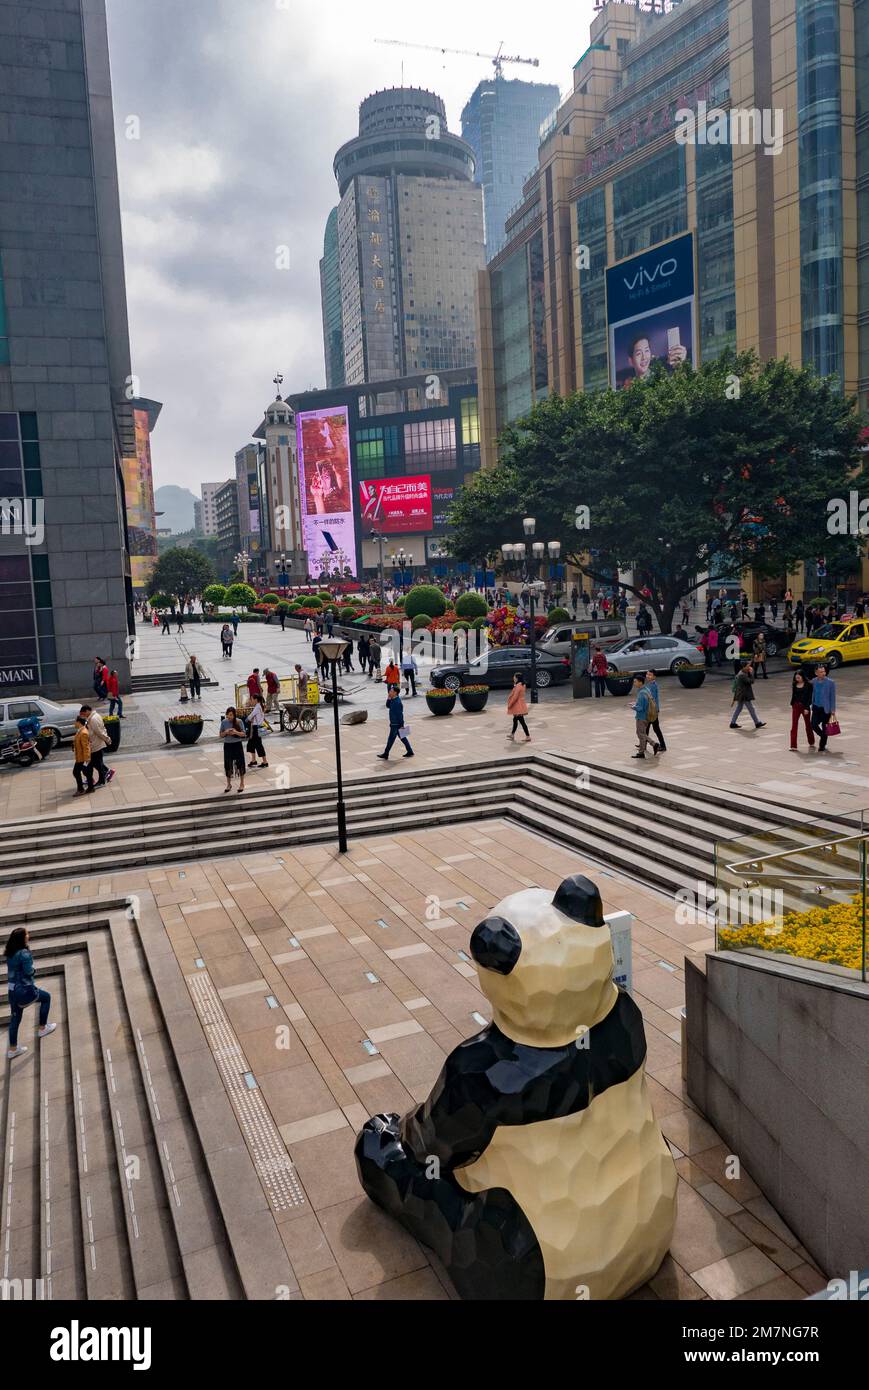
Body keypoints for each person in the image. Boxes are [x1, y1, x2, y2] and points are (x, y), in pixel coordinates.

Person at [5, 926, 56, 1060]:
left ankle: (13, 1049)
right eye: (27, 934)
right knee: (46, 997)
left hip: (12, 991)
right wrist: (33, 971)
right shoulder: (24, 953)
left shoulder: (10, 953)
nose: (28, 935)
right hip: (24, 990)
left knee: (15, 1019)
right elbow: (28, 971)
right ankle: (42, 1028)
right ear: (21, 938)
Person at [377, 685, 413, 760]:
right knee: (403, 738)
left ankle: (386, 754)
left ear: (395, 693)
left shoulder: (397, 702)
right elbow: (388, 706)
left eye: (391, 691)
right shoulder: (393, 699)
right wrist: (388, 698)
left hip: (396, 724)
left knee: (391, 739)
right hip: (394, 723)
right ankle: (410, 751)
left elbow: (400, 714)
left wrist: (402, 725)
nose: (389, 692)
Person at [80, 704, 114, 785]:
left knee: (96, 763)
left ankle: (101, 779)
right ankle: (101, 777)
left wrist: (107, 739)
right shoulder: (94, 717)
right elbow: (102, 729)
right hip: (95, 744)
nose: (84, 716)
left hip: (96, 744)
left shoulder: (93, 719)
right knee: (96, 763)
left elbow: (99, 732)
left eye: (84, 714)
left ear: (87, 711)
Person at [630, 675, 660, 759]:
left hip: (641, 717)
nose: (634, 683)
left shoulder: (641, 693)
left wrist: (633, 707)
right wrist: (636, 704)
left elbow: (640, 708)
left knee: (641, 733)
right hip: (647, 716)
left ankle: (653, 744)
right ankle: (642, 751)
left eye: (635, 682)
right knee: (641, 733)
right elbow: (645, 703)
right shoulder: (646, 690)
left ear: (640, 682)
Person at [729, 664, 766, 730]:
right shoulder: (742, 675)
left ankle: (732, 723)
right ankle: (757, 723)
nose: (749, 667)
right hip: (744, 695)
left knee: (739, 708)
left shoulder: (742, 673)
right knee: (751, 709)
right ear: (743, 667)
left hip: (741, 694)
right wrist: (751, 673)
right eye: (747, 666)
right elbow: (751, 681)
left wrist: (748, 672)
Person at [810, 664, 837, 753]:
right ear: (816, 673)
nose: (823, 673)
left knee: (825, 727)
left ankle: (822, 745)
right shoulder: (813, 681)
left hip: (826, 708)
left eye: (824, 671)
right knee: (813, 724)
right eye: (821, 672)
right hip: (816, 707)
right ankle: (823, 736)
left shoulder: (831, 682)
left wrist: (833, 710)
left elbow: (832, 697)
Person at [220, 706, 247, 792]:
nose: (229, 717)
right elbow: (220, 735)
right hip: (227, 745)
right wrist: (226, 732)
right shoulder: (224, 722)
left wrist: (235, 732)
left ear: (234, 715)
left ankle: (242, 783)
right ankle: (228, 784)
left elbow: (244, 734)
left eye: (231, 715)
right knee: (228, 764)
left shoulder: (239, 721)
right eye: (228, 715)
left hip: (237, 745)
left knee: (240, 763)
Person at [790, 670, 815, 751]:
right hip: (796, 706)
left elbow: (810, 698)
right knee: (794, 725)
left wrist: (807, 708)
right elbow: (794, 695)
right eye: (796, 677)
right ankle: (793, 745)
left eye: (799, 677)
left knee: (808, 725)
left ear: (802, 677)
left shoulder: (809, 685)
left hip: (805, 707)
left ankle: (811, 741)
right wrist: (792, 704)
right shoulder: (794, 684)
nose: (797, 679)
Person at [644, 670, 667, 751]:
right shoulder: (650, 684)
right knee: (649, 728)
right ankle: (643, 744)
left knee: (653, 728)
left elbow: (651, 699)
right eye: (647, 674)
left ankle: (662, 746)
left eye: (650, 675)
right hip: (653, 710)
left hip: (652, 710)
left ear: (654, 677)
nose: (648, 676)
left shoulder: (653, 685)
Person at [72, 714, 94, 795]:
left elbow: (86, 747)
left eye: (75, 722)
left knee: (76, 772)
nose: (74, 723)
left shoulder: (83, 732)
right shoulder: (80, 730)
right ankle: (90, 788)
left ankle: (81, 789)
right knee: (86, 772)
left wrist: (87, 759)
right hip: (80, 757)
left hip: (82, 758)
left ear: (79, 722)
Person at [246, 695, 269, 769]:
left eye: (251, 699)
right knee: (251, 744)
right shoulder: (260, 706)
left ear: (256, 700)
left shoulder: (257, 707)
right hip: (256, 728)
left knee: (258, 745)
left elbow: (250, 717)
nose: (251, 701)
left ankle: (265, 762)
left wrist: (247, 719)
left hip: (256, 729)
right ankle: (253, 760)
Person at [506, 672, 530, 741]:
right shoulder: (522, 684)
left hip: (518, 705)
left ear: (517, 678)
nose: (513, 678)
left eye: (514, 677)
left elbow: (515, 697)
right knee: (515, 720)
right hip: (520, 704)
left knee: (521, 721)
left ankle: (528, 736)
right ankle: (512, 734)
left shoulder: (518, 686)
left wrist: (510, 704)